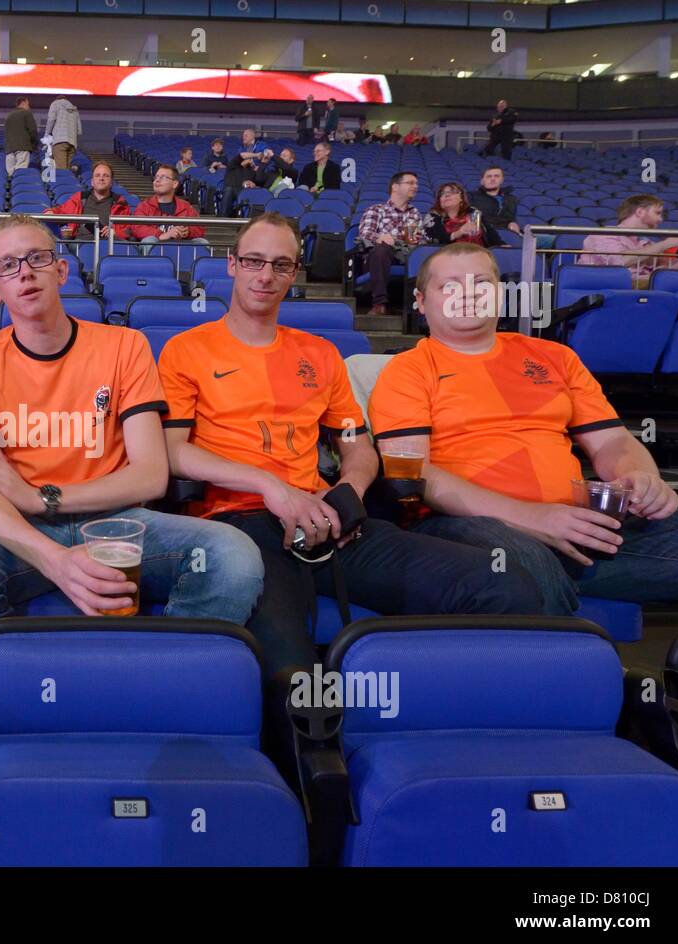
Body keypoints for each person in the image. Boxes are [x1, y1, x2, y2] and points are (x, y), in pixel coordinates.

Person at [160, 214, 543, 682]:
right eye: (254, 261)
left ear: (295, 271)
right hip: (241, 524)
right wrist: (268, 485)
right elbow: (175, 451)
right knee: (292, 675)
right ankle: (312, 750)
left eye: (281, 265)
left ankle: (429, 715)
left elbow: (359, 448)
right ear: (232, 265)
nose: (266, 276)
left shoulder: (319, 354)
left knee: (504, 585)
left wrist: (349, 491)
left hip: (327, 519)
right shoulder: (185, 349)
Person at [0, 215, 265, 660]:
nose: (24, 272)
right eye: (7, 266)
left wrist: (41, 498)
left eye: (37, 259)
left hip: (116, 522)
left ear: (61, 271)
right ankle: (14, 689)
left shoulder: (124, 346)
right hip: (17, 530)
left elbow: (151, 475)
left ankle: (162, 674)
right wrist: (55, 560)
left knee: (234, 556)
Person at [369, 242, 678, 616]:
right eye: (449, 286)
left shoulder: (554, 357)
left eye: (480, 283)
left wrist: (640, 475)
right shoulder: (407, 370)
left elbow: (611, 439)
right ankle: (571, 657)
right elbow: (410, 473)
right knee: (520, 563)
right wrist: (532, 518)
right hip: (464, 525)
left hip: (577, 519)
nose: (467, 295)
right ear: (420, 300)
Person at [578, 194, 678, 286]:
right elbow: (620, 261)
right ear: (640, 212)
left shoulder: (646, 242)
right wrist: (666, 244)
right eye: (657, 213)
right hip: (604, 289)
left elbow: (674, 269)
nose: (660, 219)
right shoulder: (603, 235)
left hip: (642, 291)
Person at [355, 170, 424, 316]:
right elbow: (365, 233)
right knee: (382, 248)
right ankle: (379, 303)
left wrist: (397, 241)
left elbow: (411, 241)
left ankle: (419, 308)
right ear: (395, 187)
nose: (415, 186)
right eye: (410, 183)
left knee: (420, 254)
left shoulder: (414, 213)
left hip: (403, 255)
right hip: (378, 256)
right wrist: (380, 237)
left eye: (416, 184)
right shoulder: (376, 210)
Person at [43, 160, 132, 241]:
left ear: (111, 182)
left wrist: (115, 232)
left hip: (109, 244)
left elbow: (128, 230)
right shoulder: (80, 198)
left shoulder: (120, 203)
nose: (101, 178)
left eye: (106, 176)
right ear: (92, 182)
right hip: (80, 243)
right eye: (97, 175)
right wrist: (50, 212)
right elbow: (61, 210)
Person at [131, 164, 207, 250]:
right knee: (149, 240)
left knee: (202, 242)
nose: (157, 180)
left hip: (180, 247)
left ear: (175, 184)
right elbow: (137, 228)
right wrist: (162, 235)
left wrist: (188, 231)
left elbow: (199, 228)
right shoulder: (144, 206)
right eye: (156, 177)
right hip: (158, 245)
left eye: (163, 177)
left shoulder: (186, 207)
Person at [422, 182, 501, 248]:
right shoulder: (433, 216)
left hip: (479, 254)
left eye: (452, 192)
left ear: (461, 198)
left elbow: (492, 235)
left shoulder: (474, 212)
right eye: (442, 194)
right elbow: (434, 240)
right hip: (447, 257)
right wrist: (458, 233)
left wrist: (503, 245)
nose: (446, 195)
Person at [219, 128, 267, 217]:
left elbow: (258, 180)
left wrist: (253, 184)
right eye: (243, 135)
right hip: (232, 188)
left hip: (244, 189)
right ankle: (223, 218)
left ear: (252, 136)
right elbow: (242, 155)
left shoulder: (251, 170)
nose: (243, 137)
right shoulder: (232, 165)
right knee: (229, 190)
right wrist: (256, 155)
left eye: (246, 135)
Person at [44, 94, 81, 171]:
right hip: (72, 143)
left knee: (61, 171)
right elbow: (79, 130)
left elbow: (51, 120)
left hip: (59, 141)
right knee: (67, 170)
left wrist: (47, 134)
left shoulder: (55, 104)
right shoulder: (74, 109)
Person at [3, 95, 38, 176]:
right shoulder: (26, 113)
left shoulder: (9, 115)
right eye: (28, 104)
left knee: (11, 175)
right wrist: (34, 144)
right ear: (23, 103)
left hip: (9, 149)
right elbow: (32, 130)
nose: (29, 107)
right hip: (23, 147)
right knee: (20, 173)